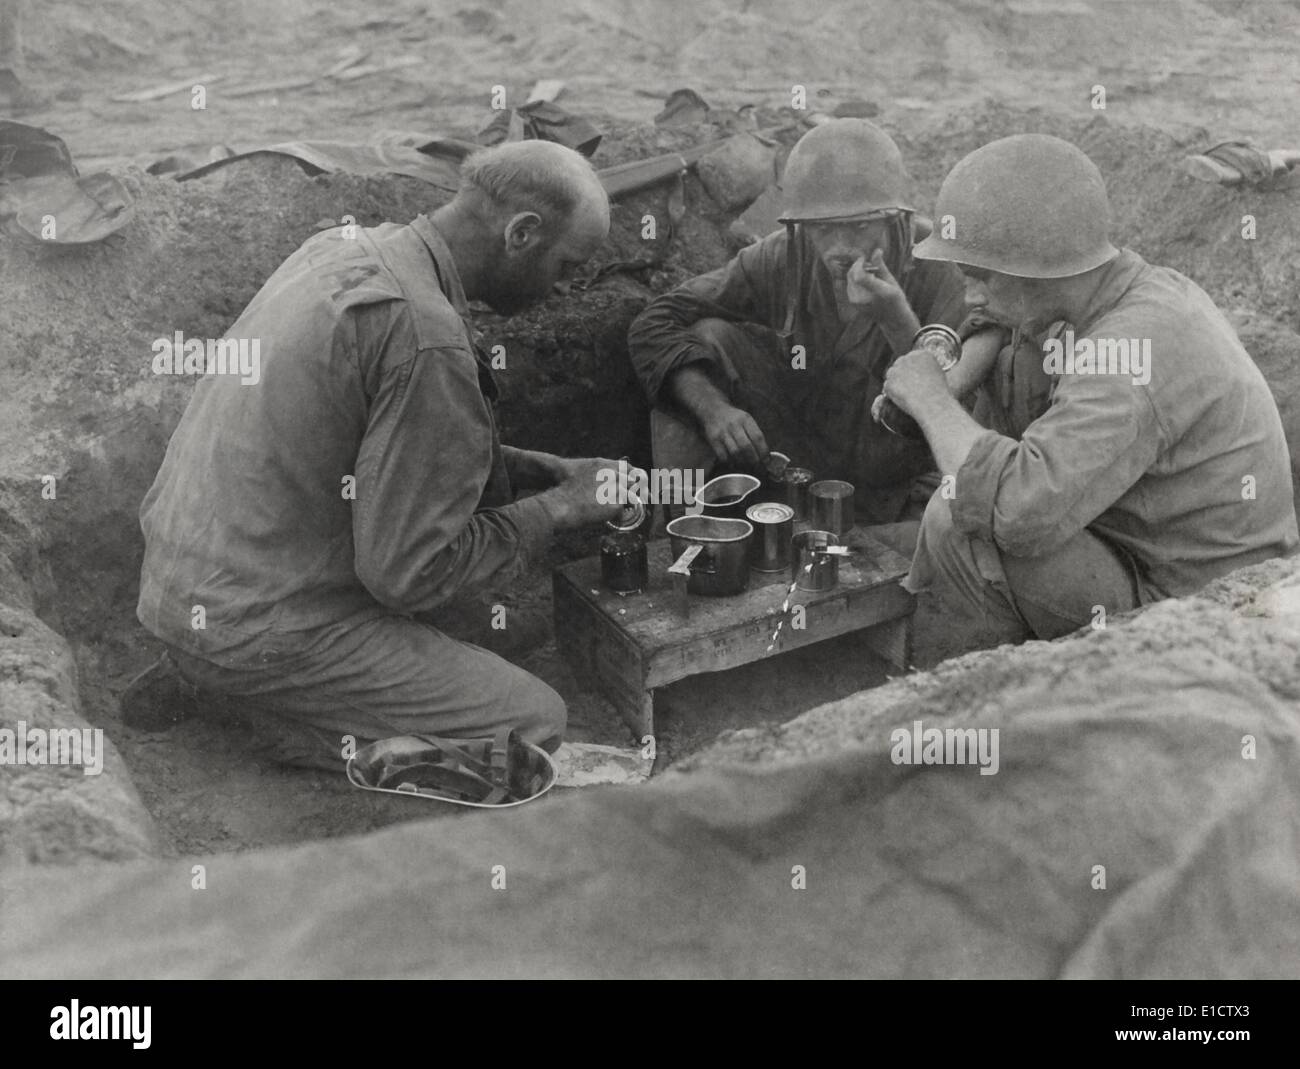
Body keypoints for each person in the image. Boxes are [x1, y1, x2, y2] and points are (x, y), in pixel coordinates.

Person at [134, 140, 642, 767]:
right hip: (258, 624)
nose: (563, 289)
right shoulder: (426, 339)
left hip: (185, 590)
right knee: (530, 720)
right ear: (522, 232)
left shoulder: (343, 249)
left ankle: (217, 674)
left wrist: (524, 467)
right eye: (564, 266)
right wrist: (561, 509)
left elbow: (360, 439)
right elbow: (408, 576)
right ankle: (257, 715)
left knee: (483, 628)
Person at [882, 133, 1299, 644]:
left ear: (1035, 270)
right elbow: (1012, 337)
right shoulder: (1108, 291)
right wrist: (977, 359)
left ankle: (983, 694)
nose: (971, 295)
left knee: (958, 518)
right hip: (1146, 554)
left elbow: (1016, 510)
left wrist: (932, 399)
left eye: (980, 277)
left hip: (1203, 609)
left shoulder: (1129, 351)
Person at [627, 118, 978, 527]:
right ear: (801, 227)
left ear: (896, 218)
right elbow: (655, 321)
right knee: (710, 337)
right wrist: (713, 411)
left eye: (861, 227)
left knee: (942, 537)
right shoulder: (783, 256)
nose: (840, 249)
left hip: (895, 479)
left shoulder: (942, 268)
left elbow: (958, 408)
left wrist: (895, 319)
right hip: (797, 459)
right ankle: (673, 529)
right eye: (823, 229)